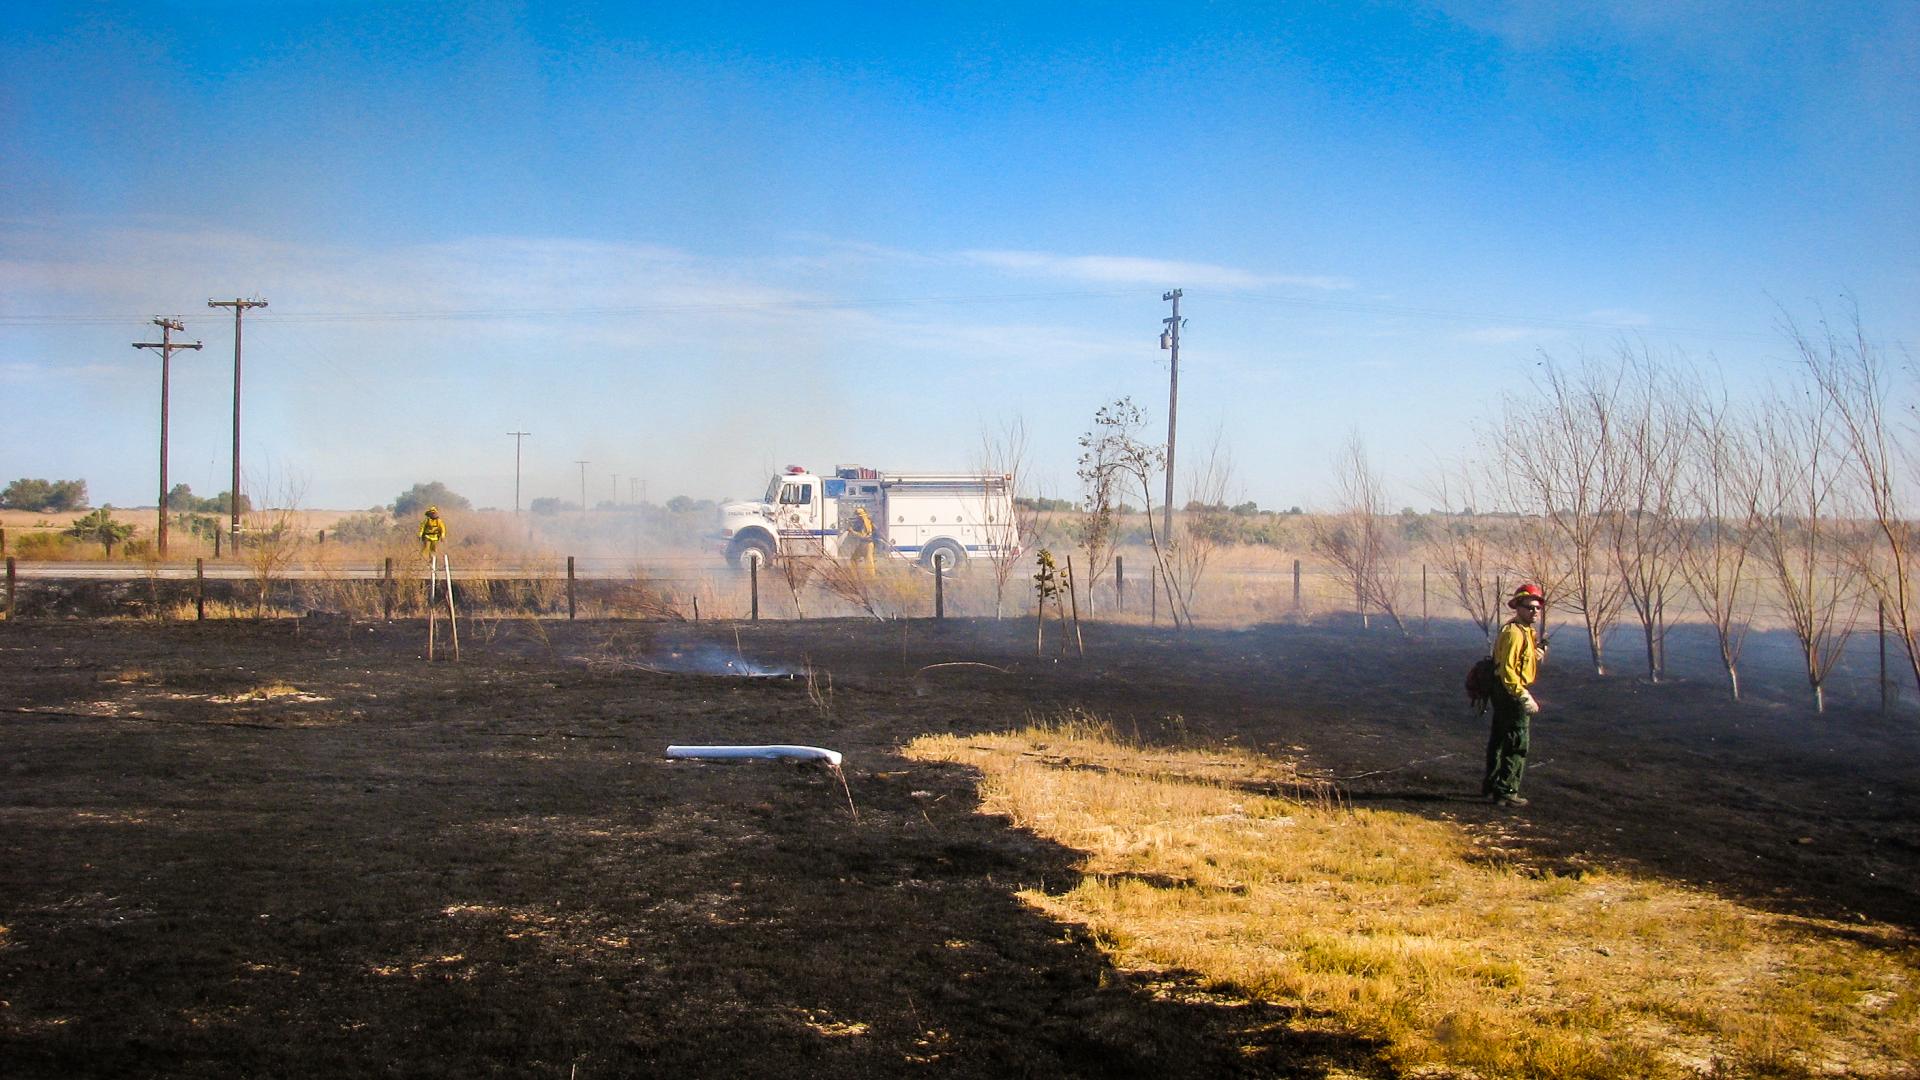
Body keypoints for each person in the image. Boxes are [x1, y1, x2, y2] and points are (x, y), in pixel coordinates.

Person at [1483, 583, 1547, 808]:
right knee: (1517, 742)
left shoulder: (1524, 631)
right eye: (1530, 607)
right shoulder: (1514, 633)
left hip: (1505, 690)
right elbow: (1508, 669)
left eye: (1537, 608)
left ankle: (1492, 786)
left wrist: (1535, 654)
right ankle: (1507, 791)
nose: (1535, 611)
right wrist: (1522, 695)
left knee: (1500, 739)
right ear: (1518, 607)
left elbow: (1519, 660)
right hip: (1510, 692)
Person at [845, 505, 877, 575]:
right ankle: (856, 575)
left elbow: (863, 536)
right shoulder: (866, 521)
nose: (857, 518)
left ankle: (871, 577)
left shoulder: (866, 523)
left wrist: (852, 531)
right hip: (863, 544)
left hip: (867, 544)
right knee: (854, 559)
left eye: (858, 516)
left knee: (869, 561)